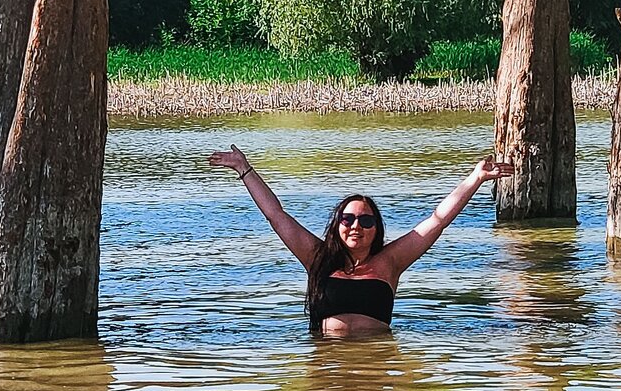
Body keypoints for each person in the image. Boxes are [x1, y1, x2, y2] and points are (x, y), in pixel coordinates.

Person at [207, 143, 514, 336]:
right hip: (326, 360)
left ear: (376, 229)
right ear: (337, 225)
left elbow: (437, 220)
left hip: (378, 359)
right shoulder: (317, 258)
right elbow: (277, 215)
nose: (356, 226)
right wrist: (244, 168)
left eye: (366, 220)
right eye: (348, 219)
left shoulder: (390, 262)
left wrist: (475, 178)